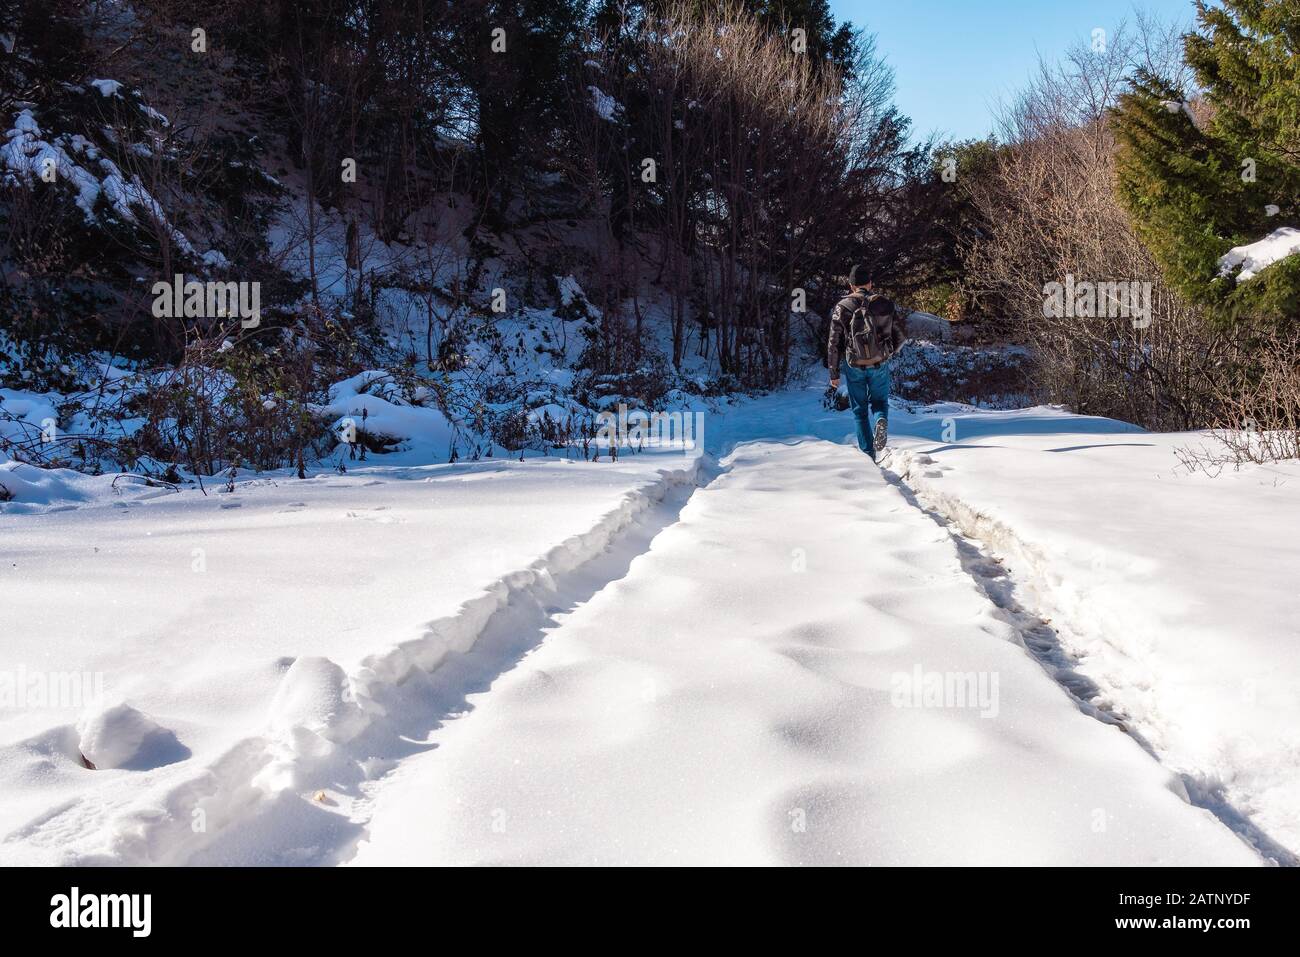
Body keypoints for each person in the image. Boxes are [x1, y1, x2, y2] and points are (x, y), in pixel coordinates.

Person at [827, 265, 906, 460]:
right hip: (879, 363)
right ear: (870, 283)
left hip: (853, 364)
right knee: (879, 401)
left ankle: (868, 455)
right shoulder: (885, 304)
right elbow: (901, 336)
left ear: (851, 285)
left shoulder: (842, 307)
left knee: (859, 410)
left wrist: (834, 373)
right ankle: (880, 419)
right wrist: (888, 352)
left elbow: (833, 342)